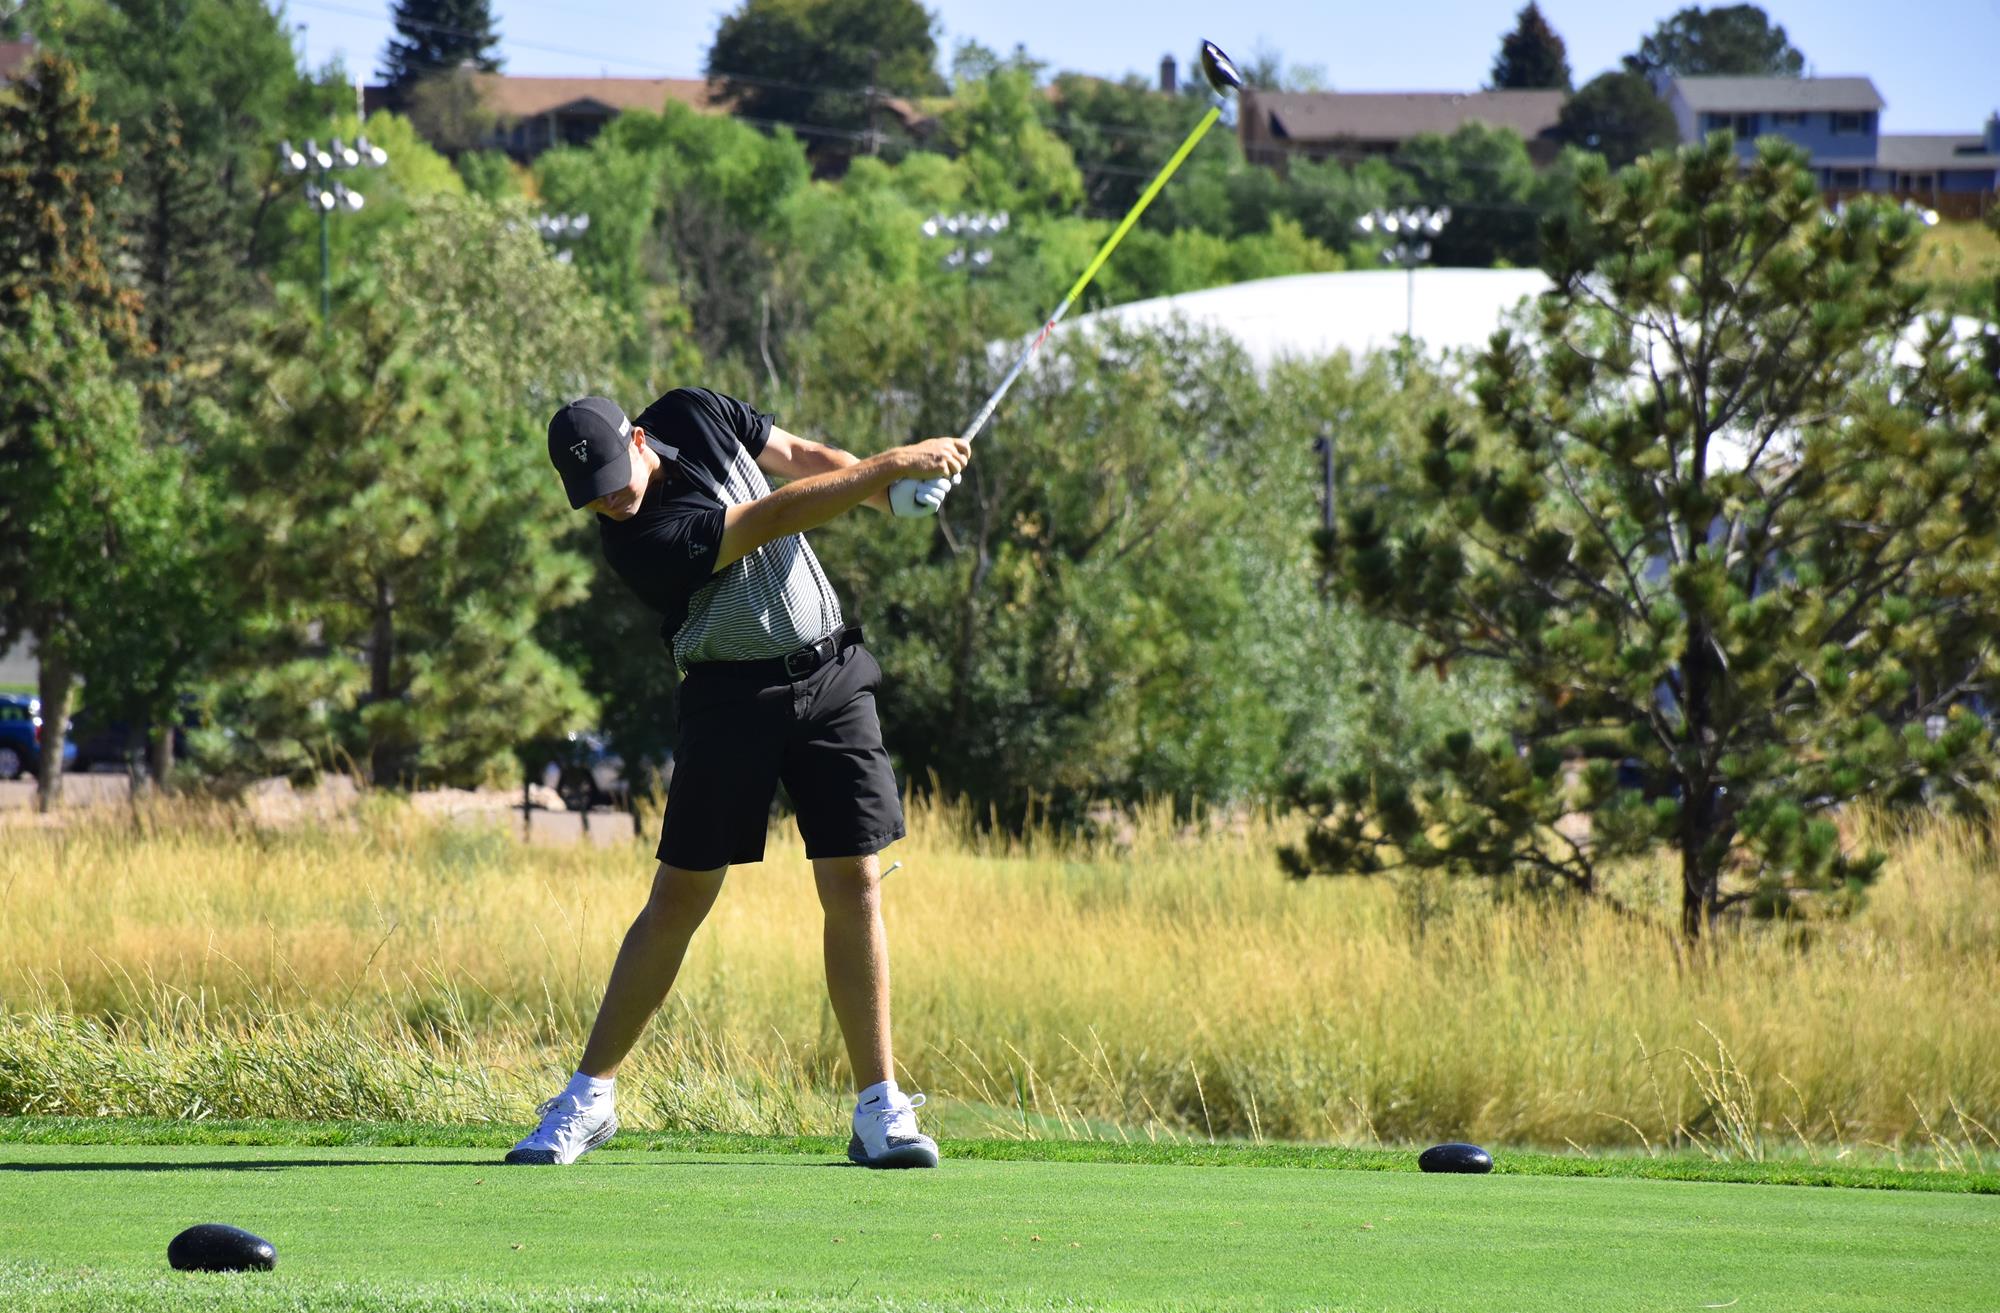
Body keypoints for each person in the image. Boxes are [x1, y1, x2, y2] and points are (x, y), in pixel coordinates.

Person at [506, 387, 969, 1170]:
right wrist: (892, 465)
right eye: (595, 498)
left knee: (856, 879)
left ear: (642, 438)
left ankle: (876, 1107)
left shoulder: (695, 411)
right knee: (681, 897)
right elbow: (770, 517)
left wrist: (888, 492)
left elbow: (803, 461)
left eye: (620, 478)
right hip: (730, 698)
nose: (614, 503)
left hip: (831, 673)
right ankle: (590, 1095)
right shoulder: (638, 543)